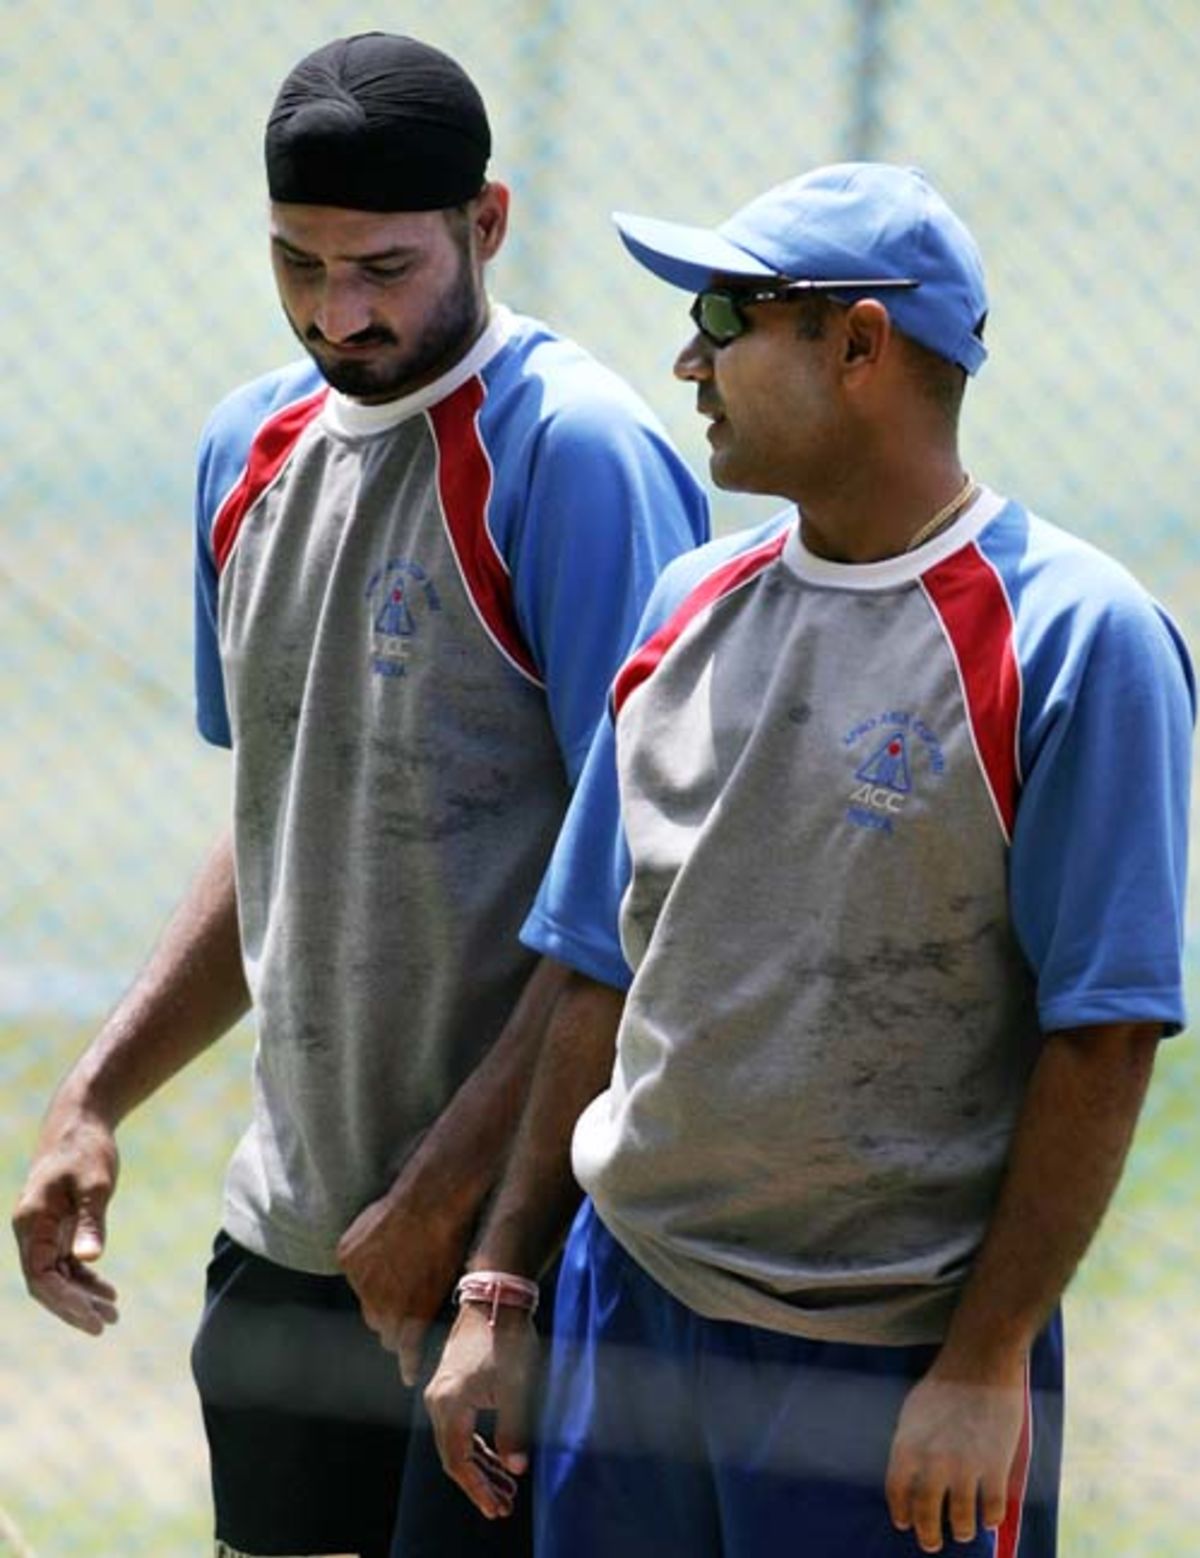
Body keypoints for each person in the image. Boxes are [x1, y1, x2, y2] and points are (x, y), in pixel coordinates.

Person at [424, 162, 1194, 1557]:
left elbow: (1104, 1035)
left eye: (726, 316)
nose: (688, 360)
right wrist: (500, 1285)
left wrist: (982, 1362)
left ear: (859, 343)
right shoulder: (687, 604)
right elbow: (600, 972)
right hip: (624, 1319)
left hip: (885, 1373)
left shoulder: (1077, 639)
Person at [11, 32, 708, 1558]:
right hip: (297, 1235)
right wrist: (95, 1093)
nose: (339, 313)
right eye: (299, 264)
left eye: (384, 268)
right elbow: (278, 823)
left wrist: (448, 1205)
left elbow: (652, 890)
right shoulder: (243, 448)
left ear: (488, 223)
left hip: (516, 1262)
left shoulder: (573, 456)